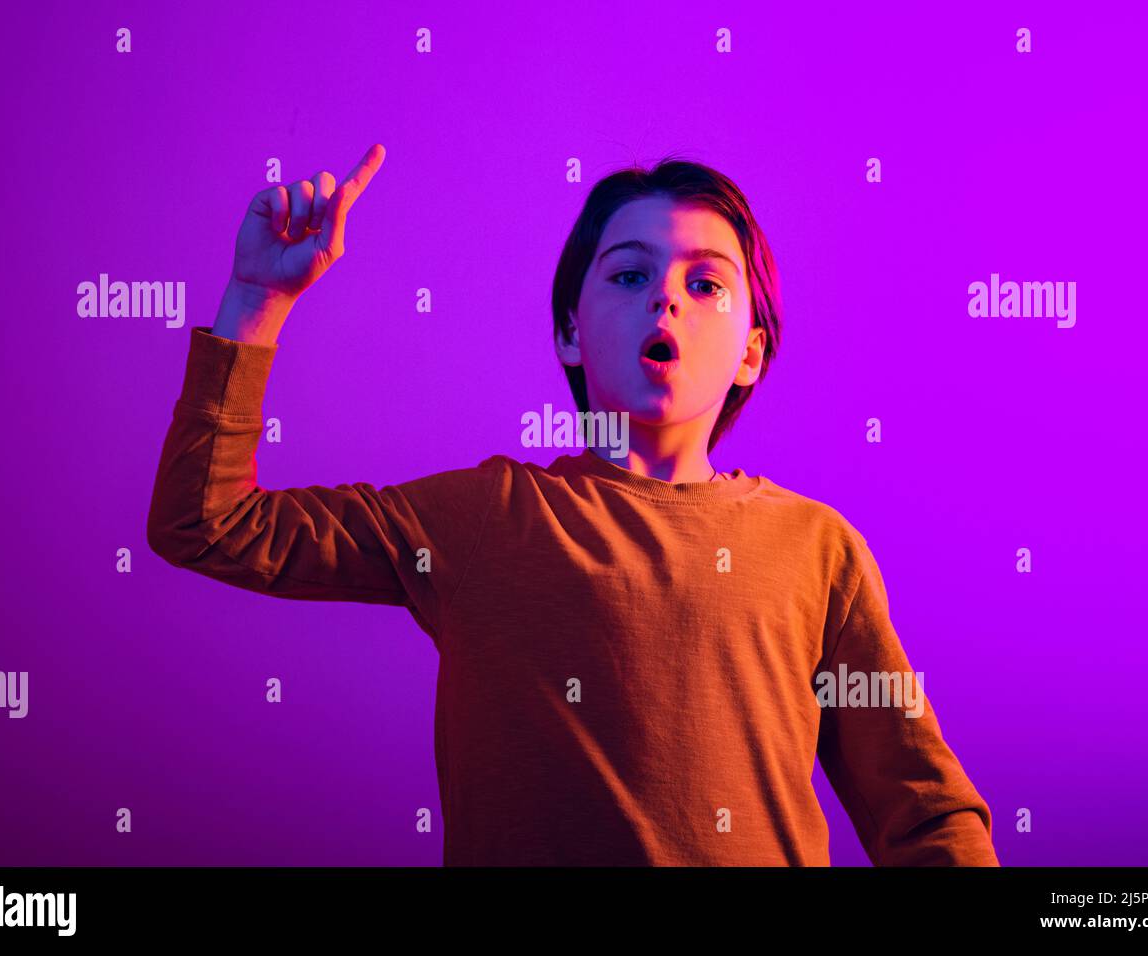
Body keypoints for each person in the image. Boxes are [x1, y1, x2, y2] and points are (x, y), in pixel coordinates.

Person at [147, 143, 999, 866]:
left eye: (708, 285)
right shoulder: (481, 519)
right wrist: (256, 301)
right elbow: (211, 524)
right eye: (629, 274)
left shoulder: (817, 549)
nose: (666, 297)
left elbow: (927, 814)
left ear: (752, 352)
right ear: (567, 330)